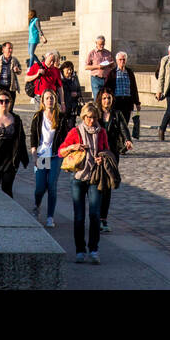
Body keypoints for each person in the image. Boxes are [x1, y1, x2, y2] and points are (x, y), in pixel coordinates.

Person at [58, 101, 109, 264]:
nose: (91, 121)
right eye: (88, 118)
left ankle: (94, 249)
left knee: (94, 214)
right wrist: (73, 146)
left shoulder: (102, 132)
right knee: (79, 216)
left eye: (94, 117)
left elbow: (107, 150)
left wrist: (103, 158)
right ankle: (80, 250)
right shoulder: (75, 131)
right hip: (78, 178)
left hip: (95, 177)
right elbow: (61, 151)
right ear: (83, 117)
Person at [94, 87, 132, 233]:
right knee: (97, 185)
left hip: (112, 154)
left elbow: (124, 128)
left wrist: (127, 140)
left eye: (109, 98)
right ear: (100, 100)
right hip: (98, 154)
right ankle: (95, 216)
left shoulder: (117, 114)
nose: (107, 101)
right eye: (104, 98)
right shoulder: (95, 114)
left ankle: (103, 218)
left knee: (108, 186)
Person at [30, 88, 69, 227]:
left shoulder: (61, 117)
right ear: (43, 101)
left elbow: (66, 138)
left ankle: (50, 216)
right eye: (47, 98)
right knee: (40, 186)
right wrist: (34, 156)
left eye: (52, 98)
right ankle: (37, 205)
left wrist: (66, 152)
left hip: (55, 156)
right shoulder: (38, 117)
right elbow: (34, 138)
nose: (50, 100)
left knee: (52, 185)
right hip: (41, 156)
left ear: (55, 99)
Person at [105, 51, 141, 138]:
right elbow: (106, 88)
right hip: (116, 101)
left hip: (127, 102)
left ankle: (123, 142)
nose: (122, 61)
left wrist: (137, 103)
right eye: (120, 59)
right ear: (117, 61)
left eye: (124, 60)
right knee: (117, 123)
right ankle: (117, 143)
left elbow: (134, 88)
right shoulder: (112, 73)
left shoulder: (129, 72)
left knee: (125, 124)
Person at [0, 41, 22, 110]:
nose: (11, 50)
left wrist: (17, 70)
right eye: (9, 48)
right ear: (3, 49)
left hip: (10, 87)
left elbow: (19, 71)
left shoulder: (14, 60)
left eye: (11, 48)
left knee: (10, 109)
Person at [85, 35, 114, 100]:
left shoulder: (108, 53)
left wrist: (111, 64)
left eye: (103, 44)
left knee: (107, 98)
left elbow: (112, 65)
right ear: (96, 43)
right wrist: (98, 67)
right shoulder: (92, 53)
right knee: (98, 98)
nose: (102, 46)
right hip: (96, 79)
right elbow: (86, 67)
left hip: (107, 79)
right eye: (100, 44)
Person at [60, 61, 83, 125]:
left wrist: (76, 94)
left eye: (71, 69)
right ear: (63, 69)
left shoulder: (74, 78)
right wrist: (69, 95)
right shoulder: (59, 79)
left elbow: (80, 92)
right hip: (63, 106)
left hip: (73, 107)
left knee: (71, 126)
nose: (70, 71)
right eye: (68, 69)